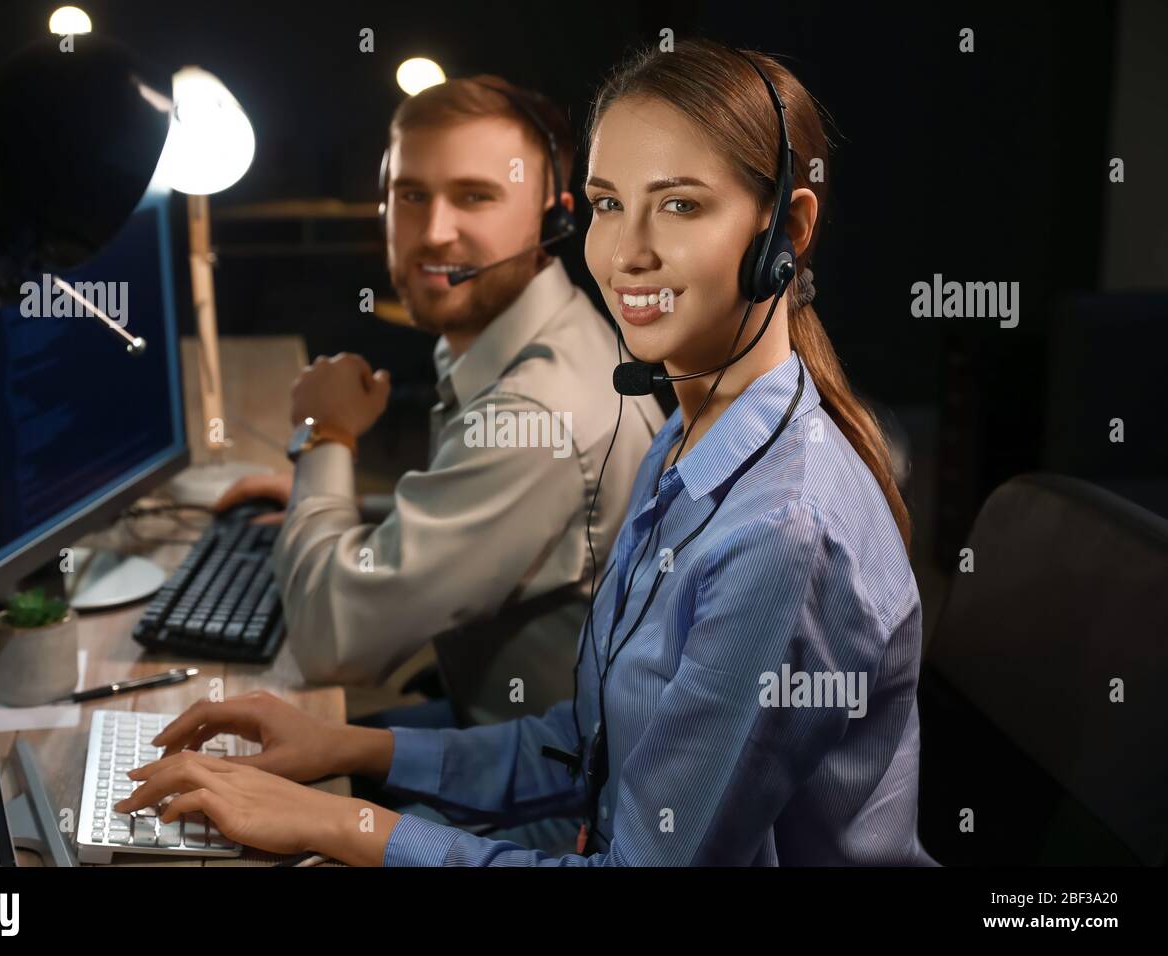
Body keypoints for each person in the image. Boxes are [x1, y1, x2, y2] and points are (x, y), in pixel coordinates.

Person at [120, 41, 930, 866]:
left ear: (785, 229)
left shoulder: (783, 536)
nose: (626, 252)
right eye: (610, 205)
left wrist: (339, 823)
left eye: (680, 206)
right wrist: (345, 749)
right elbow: (588, 743)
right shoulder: (694, 440)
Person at [217, 76, 663, 726]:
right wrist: (346, 505)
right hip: (492, 731)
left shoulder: (537, 416)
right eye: (411, 195)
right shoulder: (519, 336)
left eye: (475, 196)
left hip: (542, 799)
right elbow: (479, 504)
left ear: (553, 217)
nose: (433, 232)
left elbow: (330, 642)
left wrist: (325, 436)